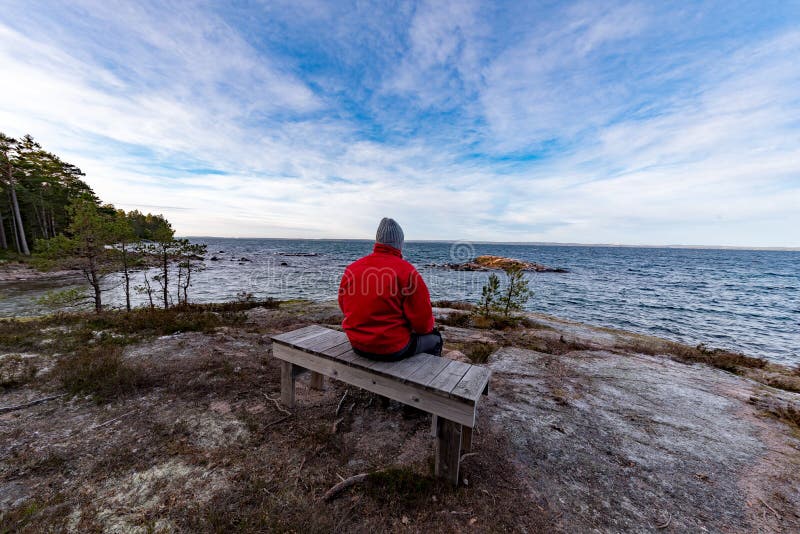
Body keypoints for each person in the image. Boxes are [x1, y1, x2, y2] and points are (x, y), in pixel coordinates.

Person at [338, 217, 442, 361]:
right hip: (391, 348)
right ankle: (425, 377)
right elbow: (423, 324)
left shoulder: (352, 268)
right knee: (435, 338)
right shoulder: (407, 272)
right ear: (400, 243)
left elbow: (344, 306)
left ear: (377, 241)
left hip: (357, 344)